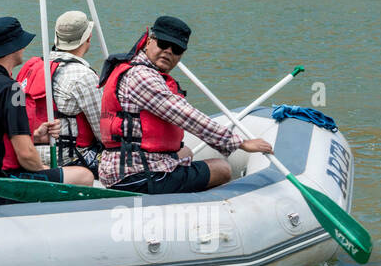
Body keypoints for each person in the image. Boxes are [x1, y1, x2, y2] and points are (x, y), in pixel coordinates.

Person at [97, 16, 274, 194]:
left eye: (177, 49)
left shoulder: (134, 68)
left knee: (186, 153)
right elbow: (186, 116)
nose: (168, 52)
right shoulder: (142, 77)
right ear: (149, 41)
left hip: (123, 166)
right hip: (136, 175)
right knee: (222, 168)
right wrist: (240, 143)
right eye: (163, 44)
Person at [0, 17, 94, 206]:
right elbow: (26, 156)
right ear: (13, 48)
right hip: (1, 186)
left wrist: (36, 137)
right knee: (83, 176)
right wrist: (45, 168)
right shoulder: (10, 89)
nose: (24, 48)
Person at [17, 10, 103, 172]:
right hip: (68, 157)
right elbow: (103, 132)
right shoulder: (84, 75)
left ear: (57, 38)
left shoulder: (32, 67)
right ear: (88, 37)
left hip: (27, 151)